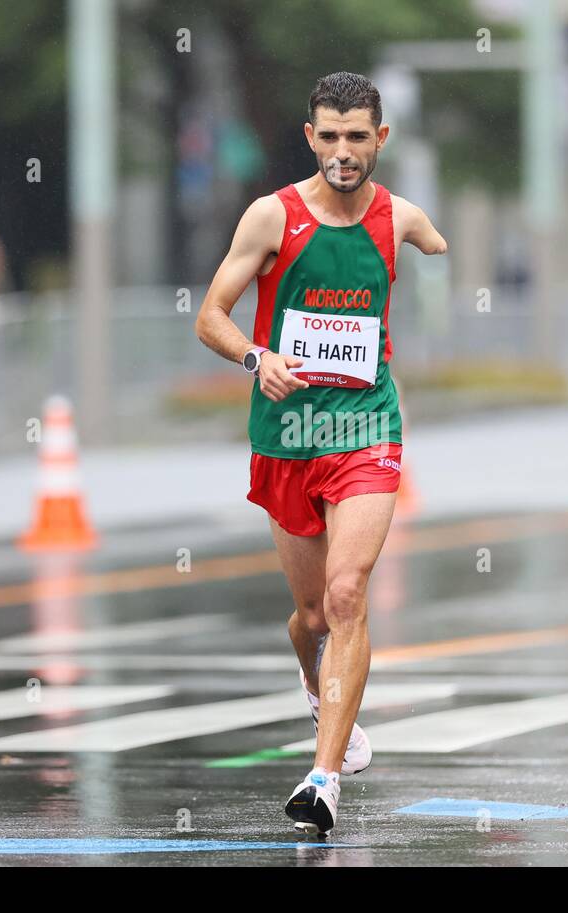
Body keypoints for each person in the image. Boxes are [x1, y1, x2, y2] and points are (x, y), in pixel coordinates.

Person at [195, 71, 447, 835]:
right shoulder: (272, 217)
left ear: (381, 139)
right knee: (309, 616)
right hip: (288, 438)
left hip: (365, 430)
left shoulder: (396, 216)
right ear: (311, 137)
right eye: (329, 136)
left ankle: (323, 778)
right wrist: (253, 359)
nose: (343, 151)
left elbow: (431, 237)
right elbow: (211, 315)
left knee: (346, 597)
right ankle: (317, 681)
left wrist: (434, 243)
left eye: (357, 137)